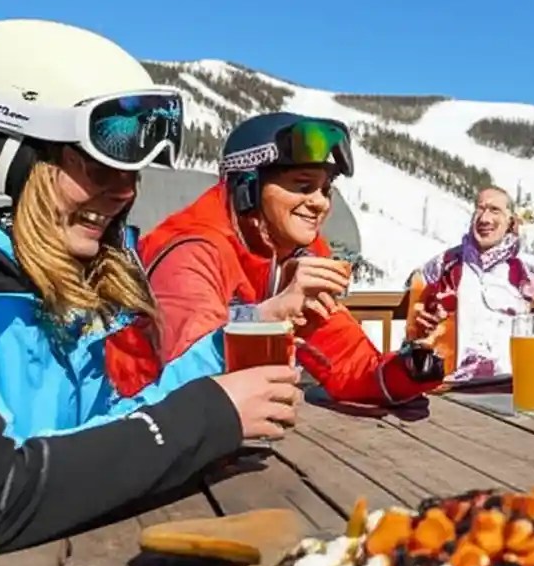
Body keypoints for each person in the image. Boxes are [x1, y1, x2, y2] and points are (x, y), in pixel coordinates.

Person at [0, 19, 298, 566]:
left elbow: (90, 435)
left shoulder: (55, 282)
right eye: (98, 164)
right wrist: (208, 416)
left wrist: (225, 351)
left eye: (133, 170)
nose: (126, 190)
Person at [105, 112, 445, 405]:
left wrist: (407, 371)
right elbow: (190, 377)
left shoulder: (298, 258)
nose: (321, 203)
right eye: (302, 185)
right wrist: (271, 314)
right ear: (248, 188)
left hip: (223, 433)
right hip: (135, 429)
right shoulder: (193, 250)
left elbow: (347, 362)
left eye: (326, 189)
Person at [405, 186, 534, 381]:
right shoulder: (447, 262)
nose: (484, 218)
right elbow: (415, 283)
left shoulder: (524, 273)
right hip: (451, 384)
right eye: (480, 209)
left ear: (511, 222)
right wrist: (419, 318)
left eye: (495, 210)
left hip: (507, 382)